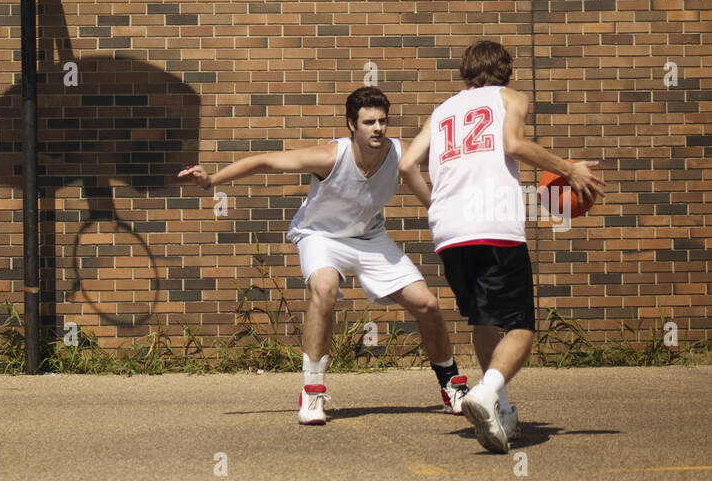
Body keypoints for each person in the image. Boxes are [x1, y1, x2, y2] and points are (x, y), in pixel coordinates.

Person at [179, 86, 467, 425]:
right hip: (320, 236)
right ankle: (312, 392)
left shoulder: (400, 156)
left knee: (427, 304)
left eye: (382, 121)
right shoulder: (330, 157)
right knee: (325, 289)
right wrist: (211, 179)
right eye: (368, 122)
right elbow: (264, 161)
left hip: (370, 238)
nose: (377, 128)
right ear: (352, 125)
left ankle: (451, 386)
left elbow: (440, 176)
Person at [399, 40, 603, 453]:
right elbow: (513, 144)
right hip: (494, 225)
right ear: (507, 71)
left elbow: (406, 165)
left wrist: (436, 203)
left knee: (483, 321)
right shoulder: (512, 98)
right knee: (522, 326)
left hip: (449, 230)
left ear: (465, 72)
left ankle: (501, 410)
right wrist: (568, 169)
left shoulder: (440, 112)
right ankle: (486, 390)